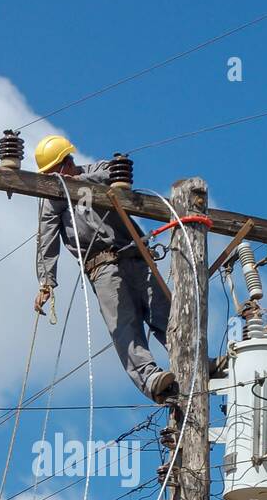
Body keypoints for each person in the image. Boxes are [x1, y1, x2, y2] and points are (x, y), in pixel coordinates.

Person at [32, 134, 177, 403]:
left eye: (54, 172)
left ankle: (196, 362)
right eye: (48, 175)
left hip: (136, 256)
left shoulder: (96, 172)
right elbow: (47, 238)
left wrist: (79, 184)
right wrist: (46, 282)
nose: (53, 180)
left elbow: (113, 173)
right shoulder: (52, 197)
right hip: (101, 266)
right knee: (125, 326)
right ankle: (151, 379)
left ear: (66, 162)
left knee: (166, 314)